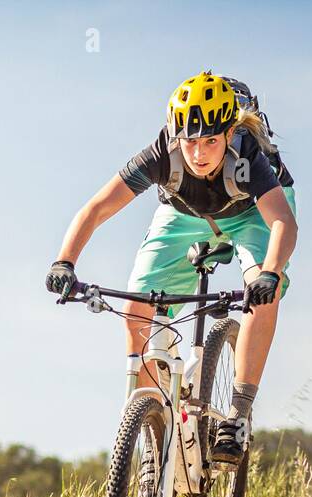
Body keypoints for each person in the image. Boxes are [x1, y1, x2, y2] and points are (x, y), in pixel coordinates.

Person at [46, 71, 298, 464]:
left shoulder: (248, 154)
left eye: (211, 141)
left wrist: (269, 273)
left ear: (229, 133)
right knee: (135, 313)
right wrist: (65, 262)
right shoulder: (163, 154)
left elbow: (282, 220)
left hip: (253, 212)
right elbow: (97, 208)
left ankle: (236, 417)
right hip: (185, 214)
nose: (199, 153)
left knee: (264, 293)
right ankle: (151, 442)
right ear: (175, 134)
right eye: (191, 141)